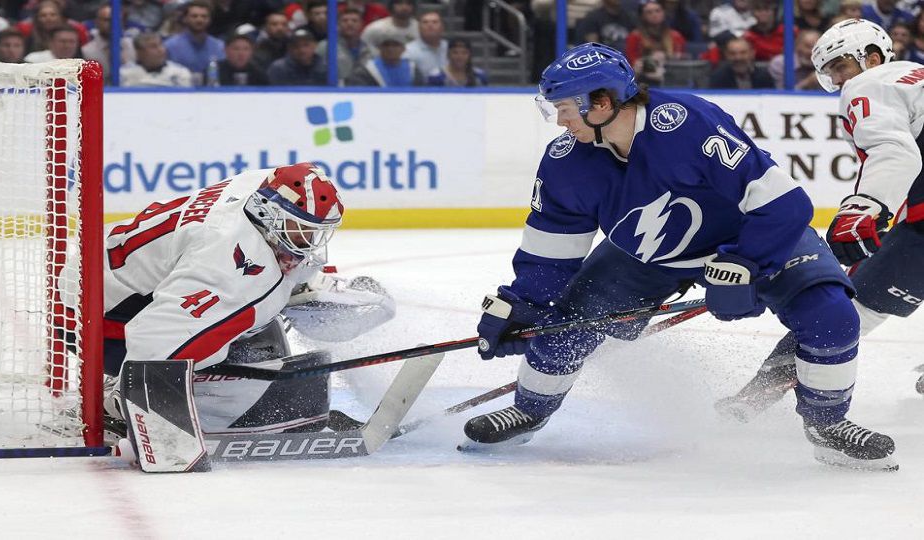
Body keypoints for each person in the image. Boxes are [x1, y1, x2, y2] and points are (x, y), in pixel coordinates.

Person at [462, 42, 897, 471]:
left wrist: (747, 262)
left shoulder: (687, 123)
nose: (559, 120)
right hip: (647, 257)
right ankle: (530, 410)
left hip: (748, 238)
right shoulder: (564, 161)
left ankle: (827, 425)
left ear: (602, 101)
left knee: (832, 314)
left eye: (565, 107)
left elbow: (785, 205)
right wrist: (523, 303)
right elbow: (550, 250)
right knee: (564, 327)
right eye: (552, 107)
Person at [68, 163, 393, 440]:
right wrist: (138, 404)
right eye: (301, 231)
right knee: (258, 346)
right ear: (271, 214)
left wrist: (300, 283)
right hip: (95, 327)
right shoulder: (228, 262)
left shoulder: (258, 187)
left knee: (260, 315)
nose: (308, 243)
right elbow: (158, 335)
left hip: (98, 281)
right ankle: (114, 399)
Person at [718, 18, 924, 418]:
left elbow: (893, 151)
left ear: (873, 57)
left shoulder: (871, 82)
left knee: (845, 309)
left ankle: (751, 400)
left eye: (842, 67)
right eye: (832, 74)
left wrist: (866, 208)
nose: (840, 79)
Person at [163, 0, 225, 83]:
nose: (199, 20)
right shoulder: (170, 46)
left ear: (209, 20)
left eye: (204, 16)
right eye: (194, 16)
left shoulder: (219, 47)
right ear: (185, 19)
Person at [345, 29, 423, 86]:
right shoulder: (367, 70)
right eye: (386, 45)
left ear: (403, 49)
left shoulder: (412, 69)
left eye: (395, 45)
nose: (390, 49)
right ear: (379, 48)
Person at [316, 7, 372, 83]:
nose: (350, 24)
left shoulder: (370, 50)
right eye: (345, 21)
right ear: (338, 24)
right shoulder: (325, 47)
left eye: (354, 21)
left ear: (361, 24)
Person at [625, 0, 686, 69]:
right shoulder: (634, 37)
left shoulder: (676, 36)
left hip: (671, 71)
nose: (654, 15)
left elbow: (682, 60)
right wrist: (649, 60)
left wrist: (667, 56)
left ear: (664, 13)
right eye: (649, 12)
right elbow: (632, 62)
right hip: (644, 73)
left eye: (658, 11)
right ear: (642, 16)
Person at [120, 31, 193, 87]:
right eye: (153, 47)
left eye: (161, 45)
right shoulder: (124, 74)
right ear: (140, 52)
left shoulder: (180, 73)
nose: (160, 50)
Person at [709, 36, 775, 88]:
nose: (738, 58)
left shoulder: (764, 77)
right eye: (732, 53)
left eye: (743, 53)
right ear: (726, 55)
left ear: (752, 53)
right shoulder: (718, 78)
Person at [402, 10, 447, 80]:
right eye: (425, 22)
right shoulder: (408, 51)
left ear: (442, 27)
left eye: (435, 22)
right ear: (419, 28)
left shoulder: (450, 48)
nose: (430, 25)